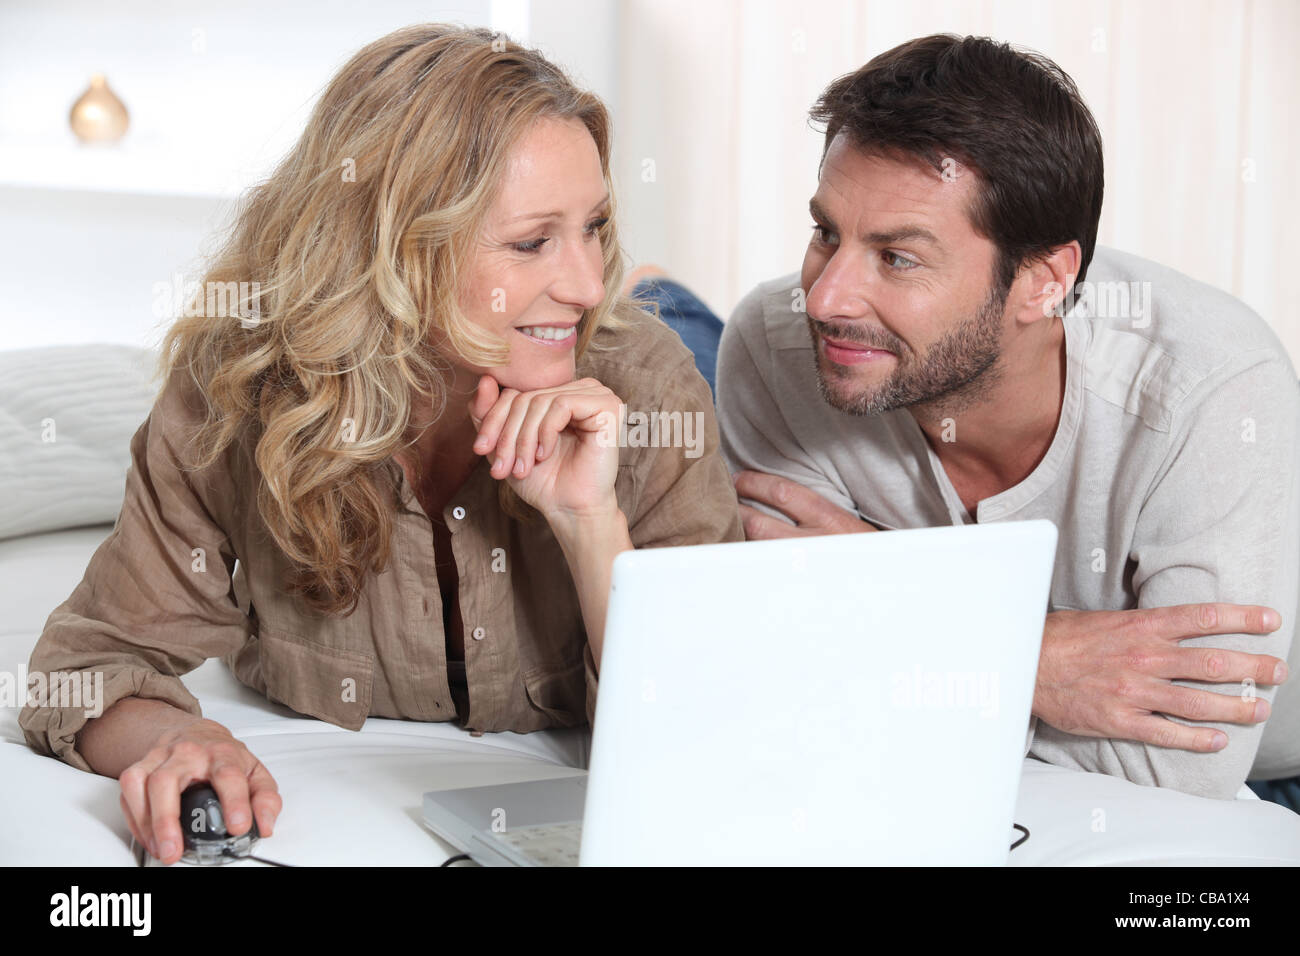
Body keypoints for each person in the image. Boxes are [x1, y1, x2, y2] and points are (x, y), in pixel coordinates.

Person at [18, 24, 742, 865]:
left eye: (596, 226)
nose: (585, 281)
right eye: (532, 241)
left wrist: (589, 524)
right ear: (393, 247)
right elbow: (89, 660)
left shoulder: (646, 391)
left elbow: (710, 738)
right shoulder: (239, 393)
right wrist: (178, 741)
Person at [695, 34, 1298, 803]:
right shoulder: (778, 344)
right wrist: (1024, 657)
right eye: (825, 234)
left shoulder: (1214, 390)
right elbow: (779, 680)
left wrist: (882, 602)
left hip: (1266, 783)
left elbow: (1177, 774)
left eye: (898, 257)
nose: (824, 299)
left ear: (1043, 281)